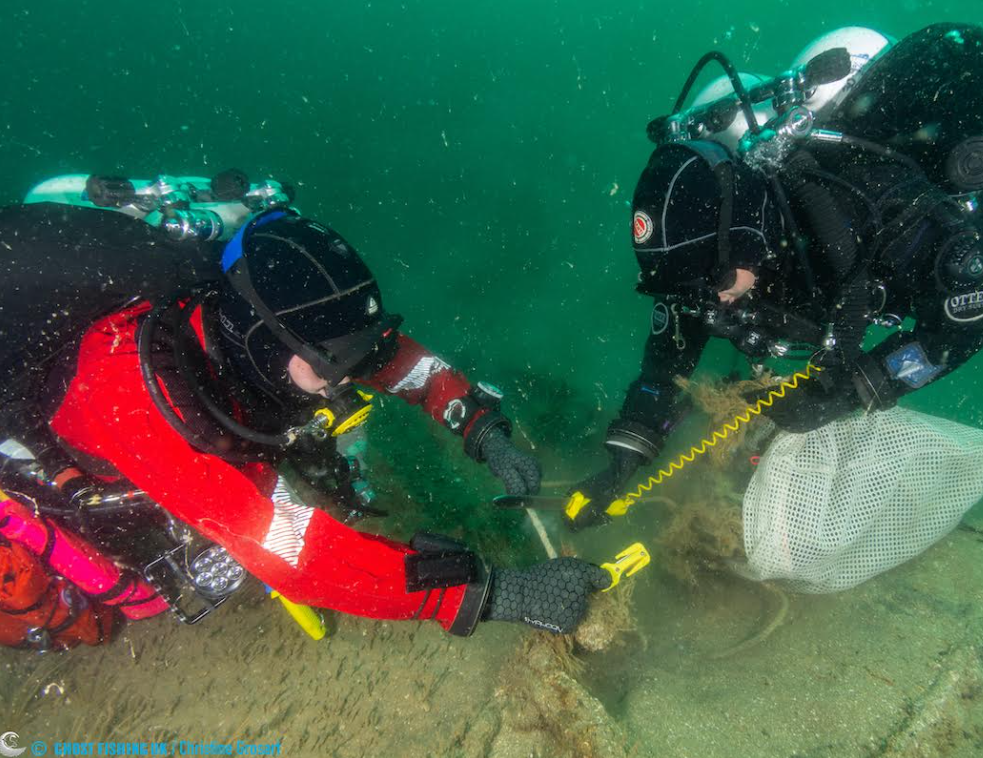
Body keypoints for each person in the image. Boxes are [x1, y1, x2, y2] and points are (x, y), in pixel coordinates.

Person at [0, 189, 611, 641]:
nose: (350, 377)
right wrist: (486, 591)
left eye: (356, 353)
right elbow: (281, 548)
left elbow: (397, 362)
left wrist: (481, 430)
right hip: (94, 450)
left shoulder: (278, 333)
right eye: (333, 362)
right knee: (107, 598)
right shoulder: (134, 395)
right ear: (262, 344)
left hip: (230, 406)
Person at [566, 5, 983, 528]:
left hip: (941, 195)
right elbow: (666, 359)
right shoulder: (712, 254)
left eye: (709, 286)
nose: (707, 305)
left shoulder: (887, 220)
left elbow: (962, 330)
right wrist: (622, 460)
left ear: (748, 244)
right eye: (690, 291)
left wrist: (849, 393)